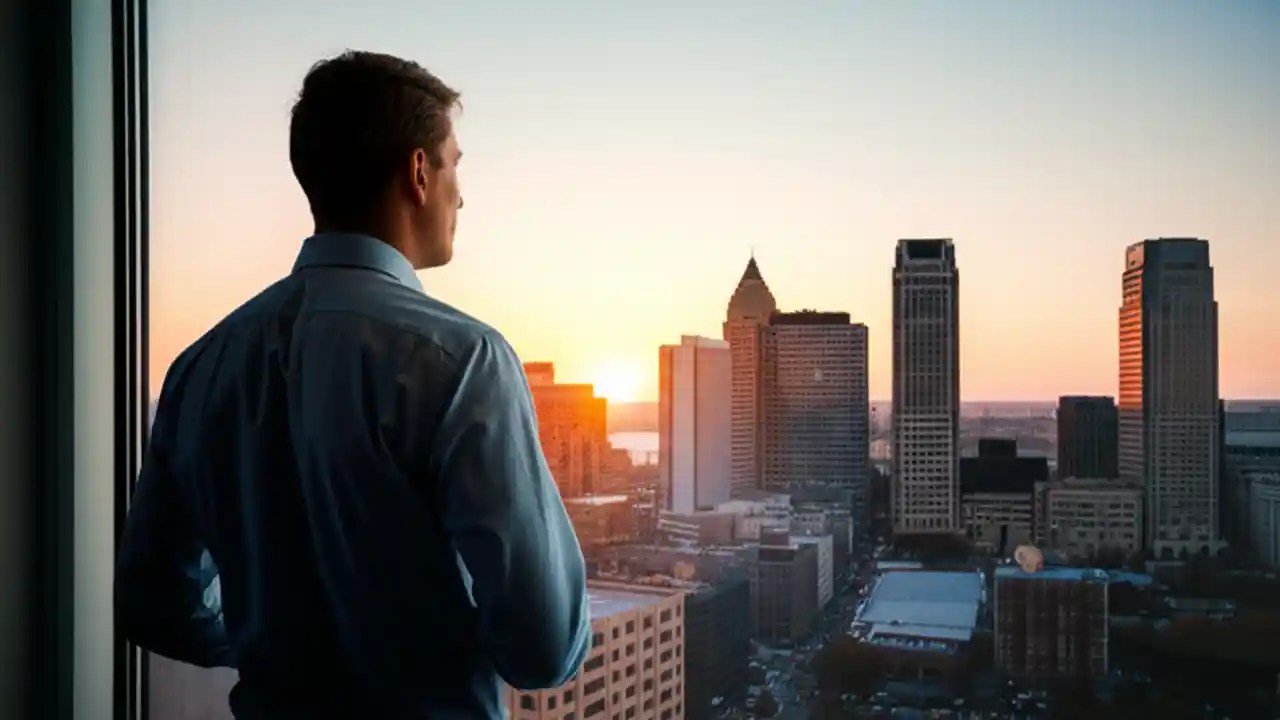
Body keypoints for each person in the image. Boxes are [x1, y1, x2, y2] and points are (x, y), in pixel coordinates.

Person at [115, 50, 591, 719]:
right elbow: (544, 648)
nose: (463, 193)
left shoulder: (202, 365)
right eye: (456, 164)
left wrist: (269, 643)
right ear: (419, 172)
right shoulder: (462, 360)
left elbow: (153, 604)